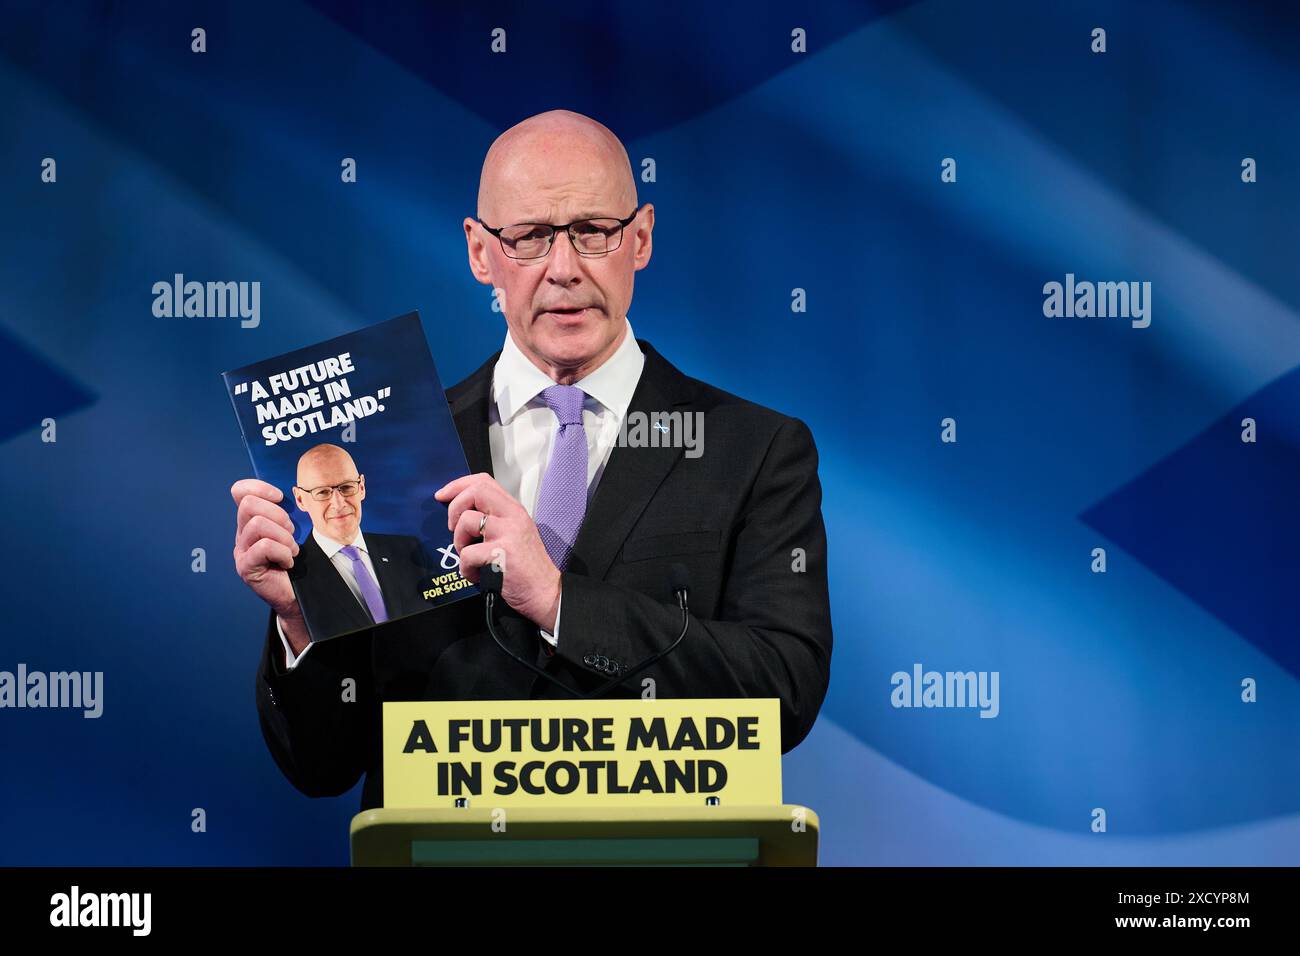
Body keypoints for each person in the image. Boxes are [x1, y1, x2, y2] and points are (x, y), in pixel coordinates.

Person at [232, 109, 833, 810]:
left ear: (640, 238)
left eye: (594, 232)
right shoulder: (393, 457)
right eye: (530, 238)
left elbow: (782, 693)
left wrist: (558, 601)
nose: (564, 268)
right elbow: (323, 765)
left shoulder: (753, 449)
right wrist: (305, 625)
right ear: (480, 252)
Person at [281, 443, 437, 641]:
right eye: (322, 492)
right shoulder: (290, 575)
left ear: (361, 487)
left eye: (346, 487)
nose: (338, 504)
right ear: (301, 499)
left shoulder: (409, 549)